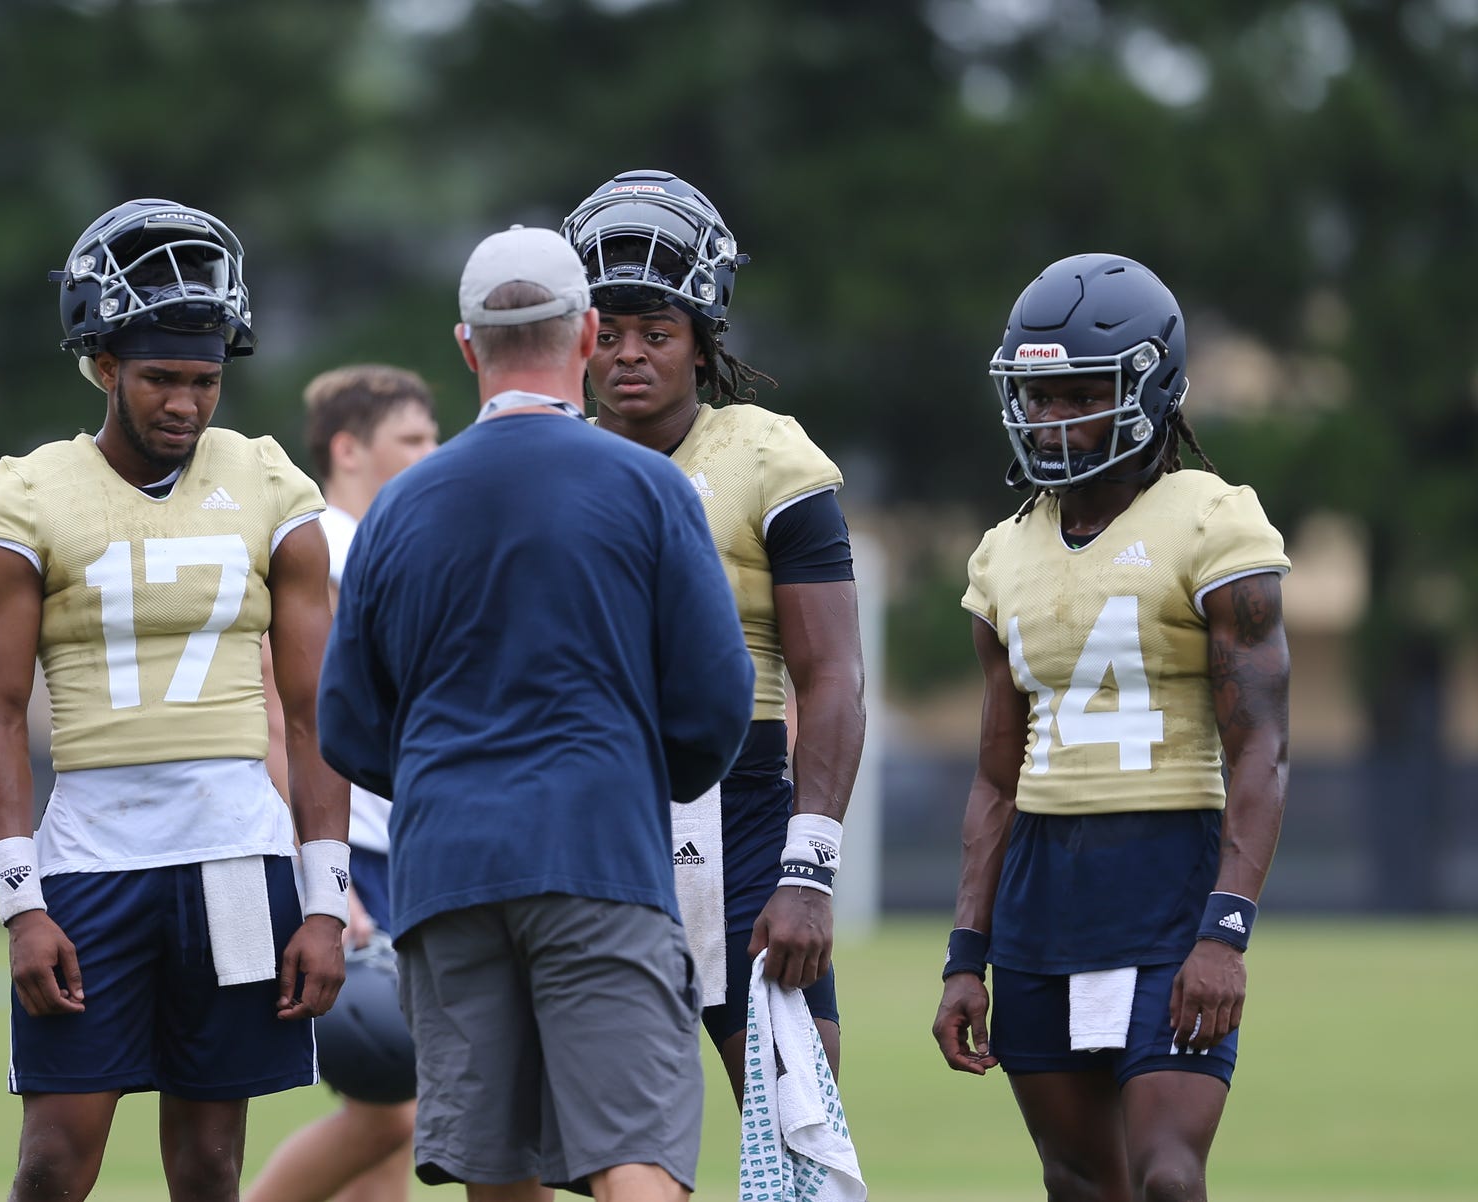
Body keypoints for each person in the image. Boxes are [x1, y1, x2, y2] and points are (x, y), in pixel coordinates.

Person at [318, 226, 755, 1202]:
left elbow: (345, 722)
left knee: (493, 1159)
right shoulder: (648, 484)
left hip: (444, 863)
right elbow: (716, 697)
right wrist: (648, 779)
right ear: (590, 333)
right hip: (595, 845)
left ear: (467, 345)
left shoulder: (395, 506)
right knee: (630, 1148)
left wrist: (447, 781)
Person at [0, 198, 351, 1202]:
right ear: (102, 365)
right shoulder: (29, 493)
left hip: (234, 861)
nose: (185, 402)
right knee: (52, 1159)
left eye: (203, 379)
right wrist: (20, 902)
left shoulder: (267, 479)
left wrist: (320, 899)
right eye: (159, 377)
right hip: (91, 859)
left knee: (212, 1164)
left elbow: (313, 712)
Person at [931, 254, 1291, 1202]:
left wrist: (1225, 932)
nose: (1053, 418)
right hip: (1042, 894)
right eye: (1038, 396)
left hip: (1168, 878)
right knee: (1083, 1183)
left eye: (1080, 394)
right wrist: (967, 955)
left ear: (1149, 388)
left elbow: (1262, 746)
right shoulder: (1002, 554)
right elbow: (996, 780)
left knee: (1168, 1177)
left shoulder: (1214, 522)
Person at [564, 170, 864, 1099]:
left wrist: (808, 869)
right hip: (588, 813)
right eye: (606, 333)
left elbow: (832, 677)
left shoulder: (766, 456)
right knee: (598, 1140)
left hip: (740, 810)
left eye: (656, 333)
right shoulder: (547, 460)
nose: (628, 356)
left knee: (794, 1118)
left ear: (701, 341)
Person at [247, 365, 439, 1202]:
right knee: (393, 1107)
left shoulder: (387, 541)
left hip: (391, 846)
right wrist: (317, 866)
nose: (433, 453)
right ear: (349, 448)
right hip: (349, 850)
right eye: (414, 439)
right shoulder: (330, 542)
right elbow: (279, 708)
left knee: (390, 1104)